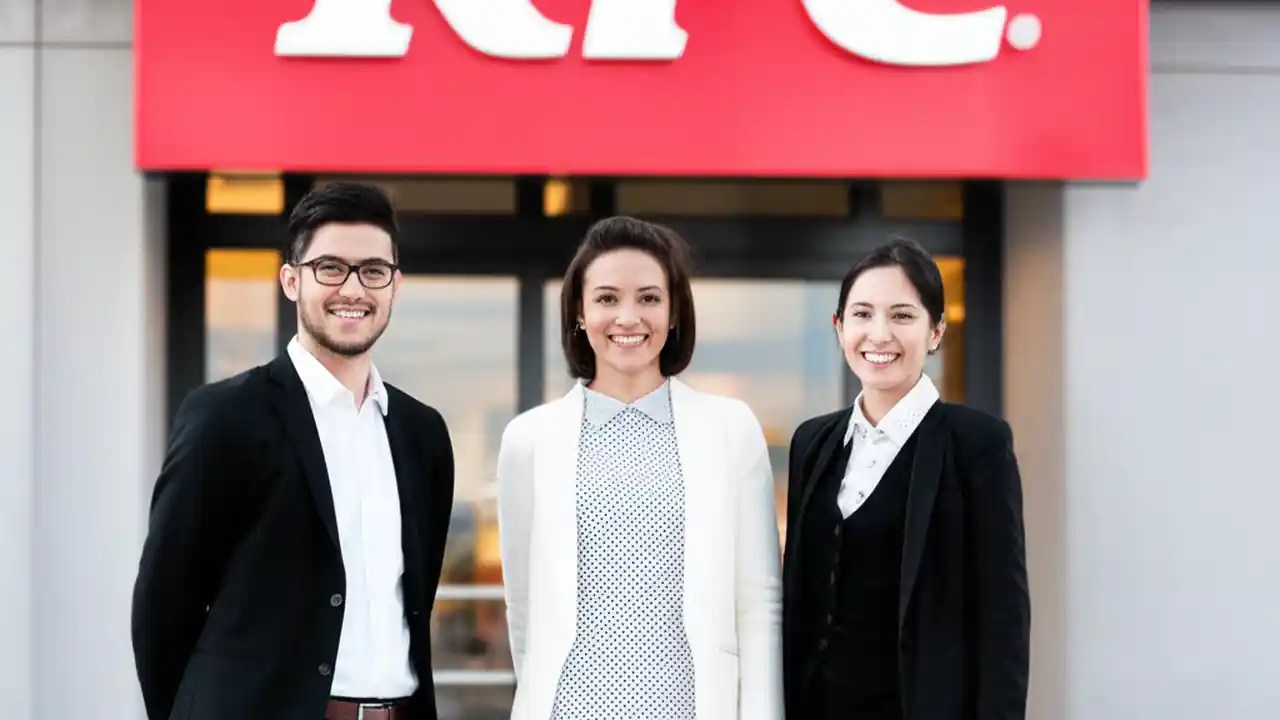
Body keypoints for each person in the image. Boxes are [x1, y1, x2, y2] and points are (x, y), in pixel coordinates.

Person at [131, 182, 455, 720]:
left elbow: (416, 602)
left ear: (395, 286)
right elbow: (162, 604)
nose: (353, 288)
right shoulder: (225, 417)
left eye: (373, 271)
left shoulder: (422, 434)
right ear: (291, 280)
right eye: (330, 268)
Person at [496, 216, 783, 720]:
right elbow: (523, 608)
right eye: (607, 298)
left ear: (673, 314)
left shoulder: (730, 429)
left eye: (649, 298)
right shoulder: (529, 439)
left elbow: (759, 605)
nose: (628, 317)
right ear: (580, 313)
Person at [782, 237, 1030, 720]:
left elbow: (1003, 619)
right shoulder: (812, 442)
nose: (879, 334)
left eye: (902, 315)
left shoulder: (977, 444)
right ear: (839, 326)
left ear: (935, 332)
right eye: (862, 314)